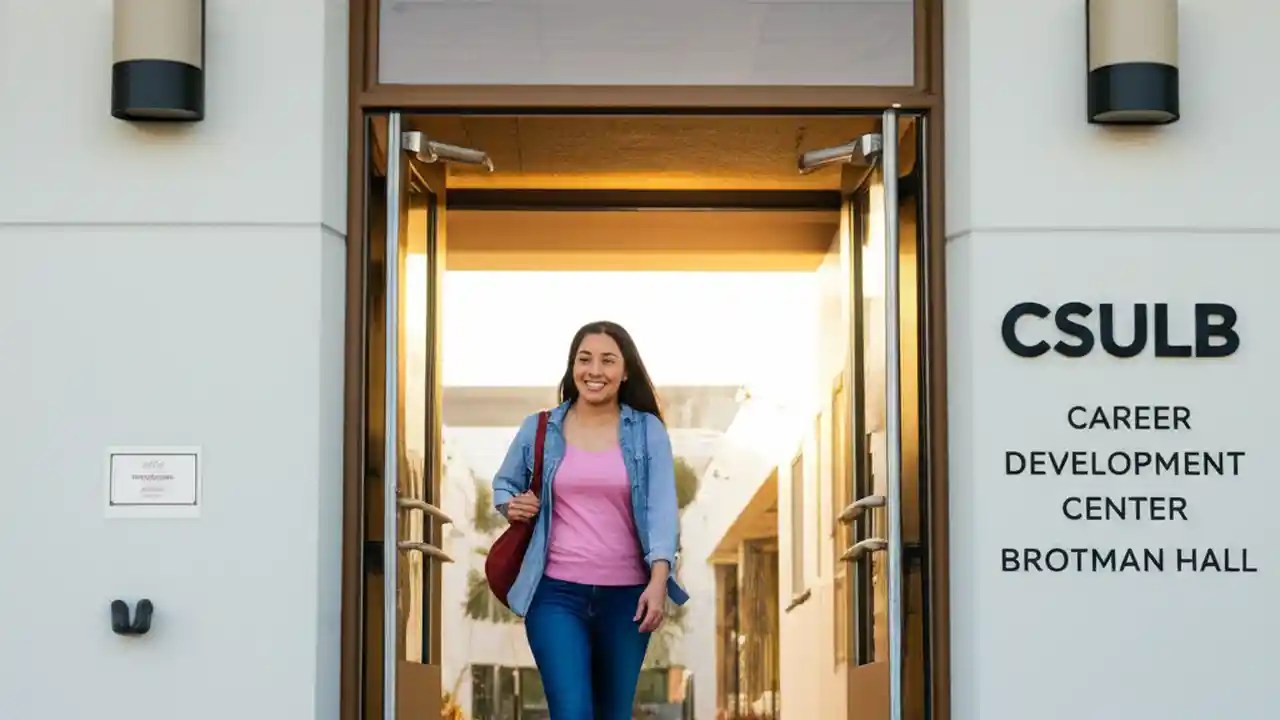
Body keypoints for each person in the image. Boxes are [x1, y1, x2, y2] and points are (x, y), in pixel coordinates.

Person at [492, 320, 690, 720]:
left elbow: (662, 509)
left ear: (625, 370)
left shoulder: (646, 431)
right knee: (572, 712)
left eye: (607, 360)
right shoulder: (541, 427)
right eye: (584, 359)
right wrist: (511, 504)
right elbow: (504, 484)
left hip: (627, 598)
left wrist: (657, 580)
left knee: (612, 714)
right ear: (572, 366)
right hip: (555, 595)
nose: (594, 371)